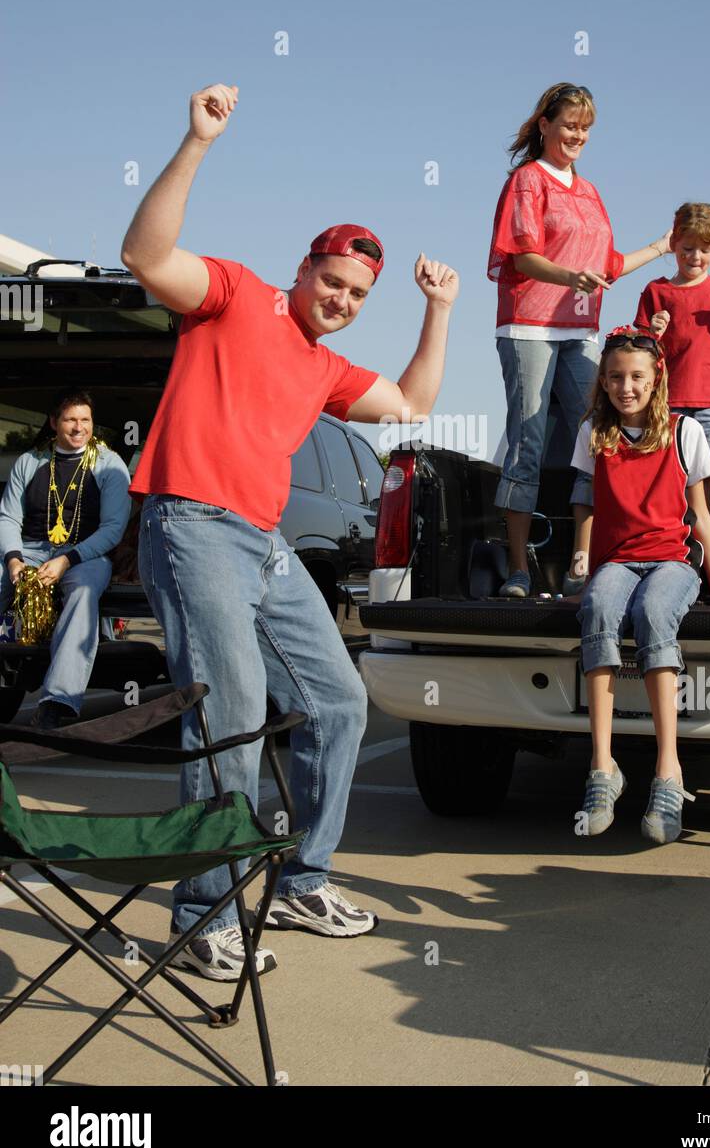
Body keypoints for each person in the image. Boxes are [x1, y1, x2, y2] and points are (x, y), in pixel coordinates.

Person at [121, 82, 459, 982]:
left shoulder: (325, 366)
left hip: (262, 543)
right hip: (191, 524)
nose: (342, 299)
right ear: (303, 267)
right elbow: (145, 253)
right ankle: (202, 915)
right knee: (227, 712)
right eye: (333, 281)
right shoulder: (234, 295)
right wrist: (195, 142)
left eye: (357, 294)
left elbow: (416, 404)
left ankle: (303, 878)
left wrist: (439, 309)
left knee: (341, 703)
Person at [570, 327, 710, 844]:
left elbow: (699, 516)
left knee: (655, 615)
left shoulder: (684, 432)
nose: (624, 387)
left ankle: (668, 772)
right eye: (614, 377)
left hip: (671, 563)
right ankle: (603, 768)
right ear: (603, 383)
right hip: (617, 561)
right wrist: (580, 567)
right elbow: (584, 508)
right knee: (599, 611)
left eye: (635, 376)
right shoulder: (594, 431)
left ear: (656, 379)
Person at [487, 82, 674, 599]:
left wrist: (662, 247)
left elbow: (608, 266)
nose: (577, 135)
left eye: (585, 129)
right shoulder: (528, 180)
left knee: (599, 433)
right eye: (569, 124)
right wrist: (570, 277)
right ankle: (520, 569)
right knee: (527, 441)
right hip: (529, 325)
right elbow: (520, 257)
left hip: (581, 331)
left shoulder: (590, 192)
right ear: (545, 125)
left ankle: (584, 559)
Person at [634, 202, 710, 590]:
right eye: (686, 248)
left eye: (703, 249)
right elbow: (642, 359)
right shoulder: (657, 291)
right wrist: (653, 332)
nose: (694, 257)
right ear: (673, 245)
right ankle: (666, 572)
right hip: (667, 407)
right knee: (669, 497)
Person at [0, 390, 131, 728]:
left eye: (85, 420)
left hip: (85, 553)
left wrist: (68, 560)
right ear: (54, 423)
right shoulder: (31, 461)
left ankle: (58, 701)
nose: (78, 428)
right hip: (30, 548)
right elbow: (8, 518)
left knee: (83, 593)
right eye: (71, 419)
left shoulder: (108, 463)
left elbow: (113, 528)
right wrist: (13, 560)